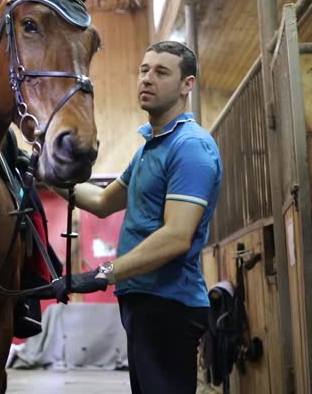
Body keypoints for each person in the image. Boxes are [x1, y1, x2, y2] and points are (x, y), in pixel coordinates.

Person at [54, 40, 222, 393]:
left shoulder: (190, 146)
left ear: (186, 85)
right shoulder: (150, 146)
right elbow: (100, 200)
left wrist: (103, 273)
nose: (147, 79)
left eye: (161, 72)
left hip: (169, 306)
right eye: (144, 70)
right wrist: (47, 177)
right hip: (144, 304)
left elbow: (177, 235)